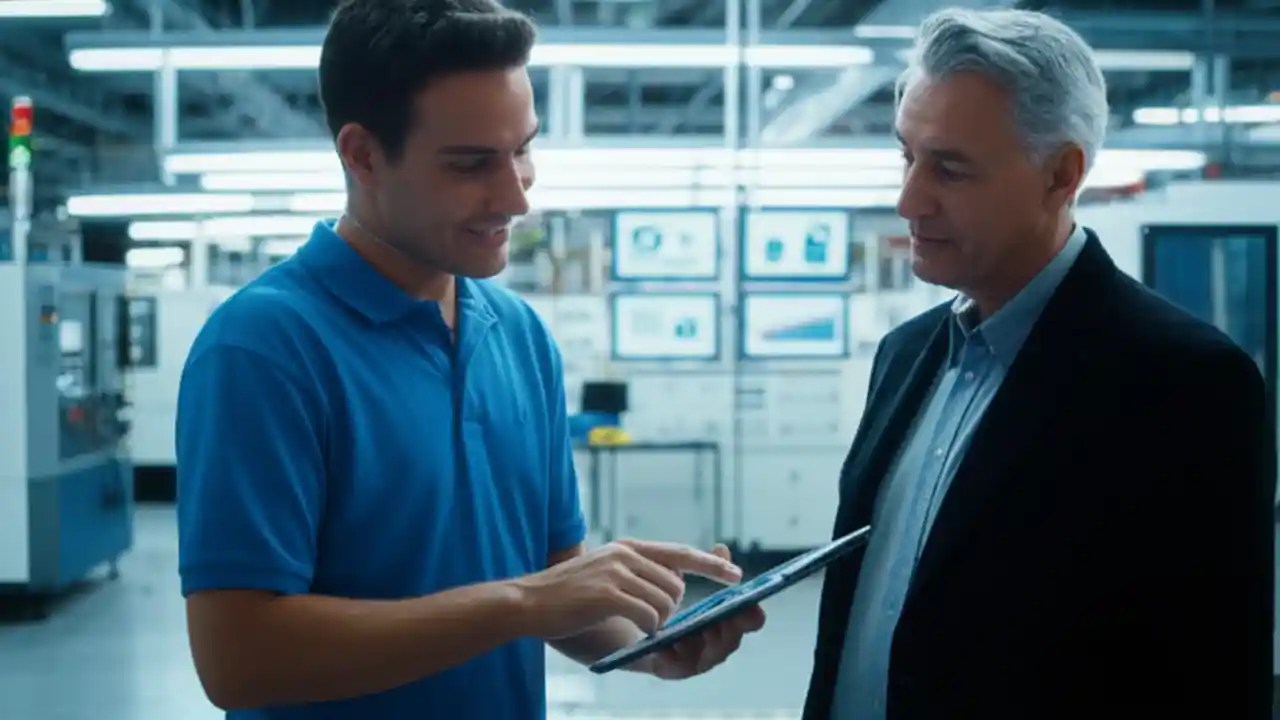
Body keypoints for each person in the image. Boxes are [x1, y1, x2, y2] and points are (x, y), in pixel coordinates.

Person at [174, 1, 764, 718]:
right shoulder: (264, 349)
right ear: (363, 155)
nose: (516, 196)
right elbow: (239, 658)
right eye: (471, 164)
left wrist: (646, 642)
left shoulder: (519, 336)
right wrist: (519, 603)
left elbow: (548, 572)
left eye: (523, 150)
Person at [802, 8, 1274, 720]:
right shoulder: (905, 357)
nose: (908, 201)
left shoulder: (1184, 385)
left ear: (1061, 174)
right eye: (907, 157)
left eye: (949, 169)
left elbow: (1213, 675)